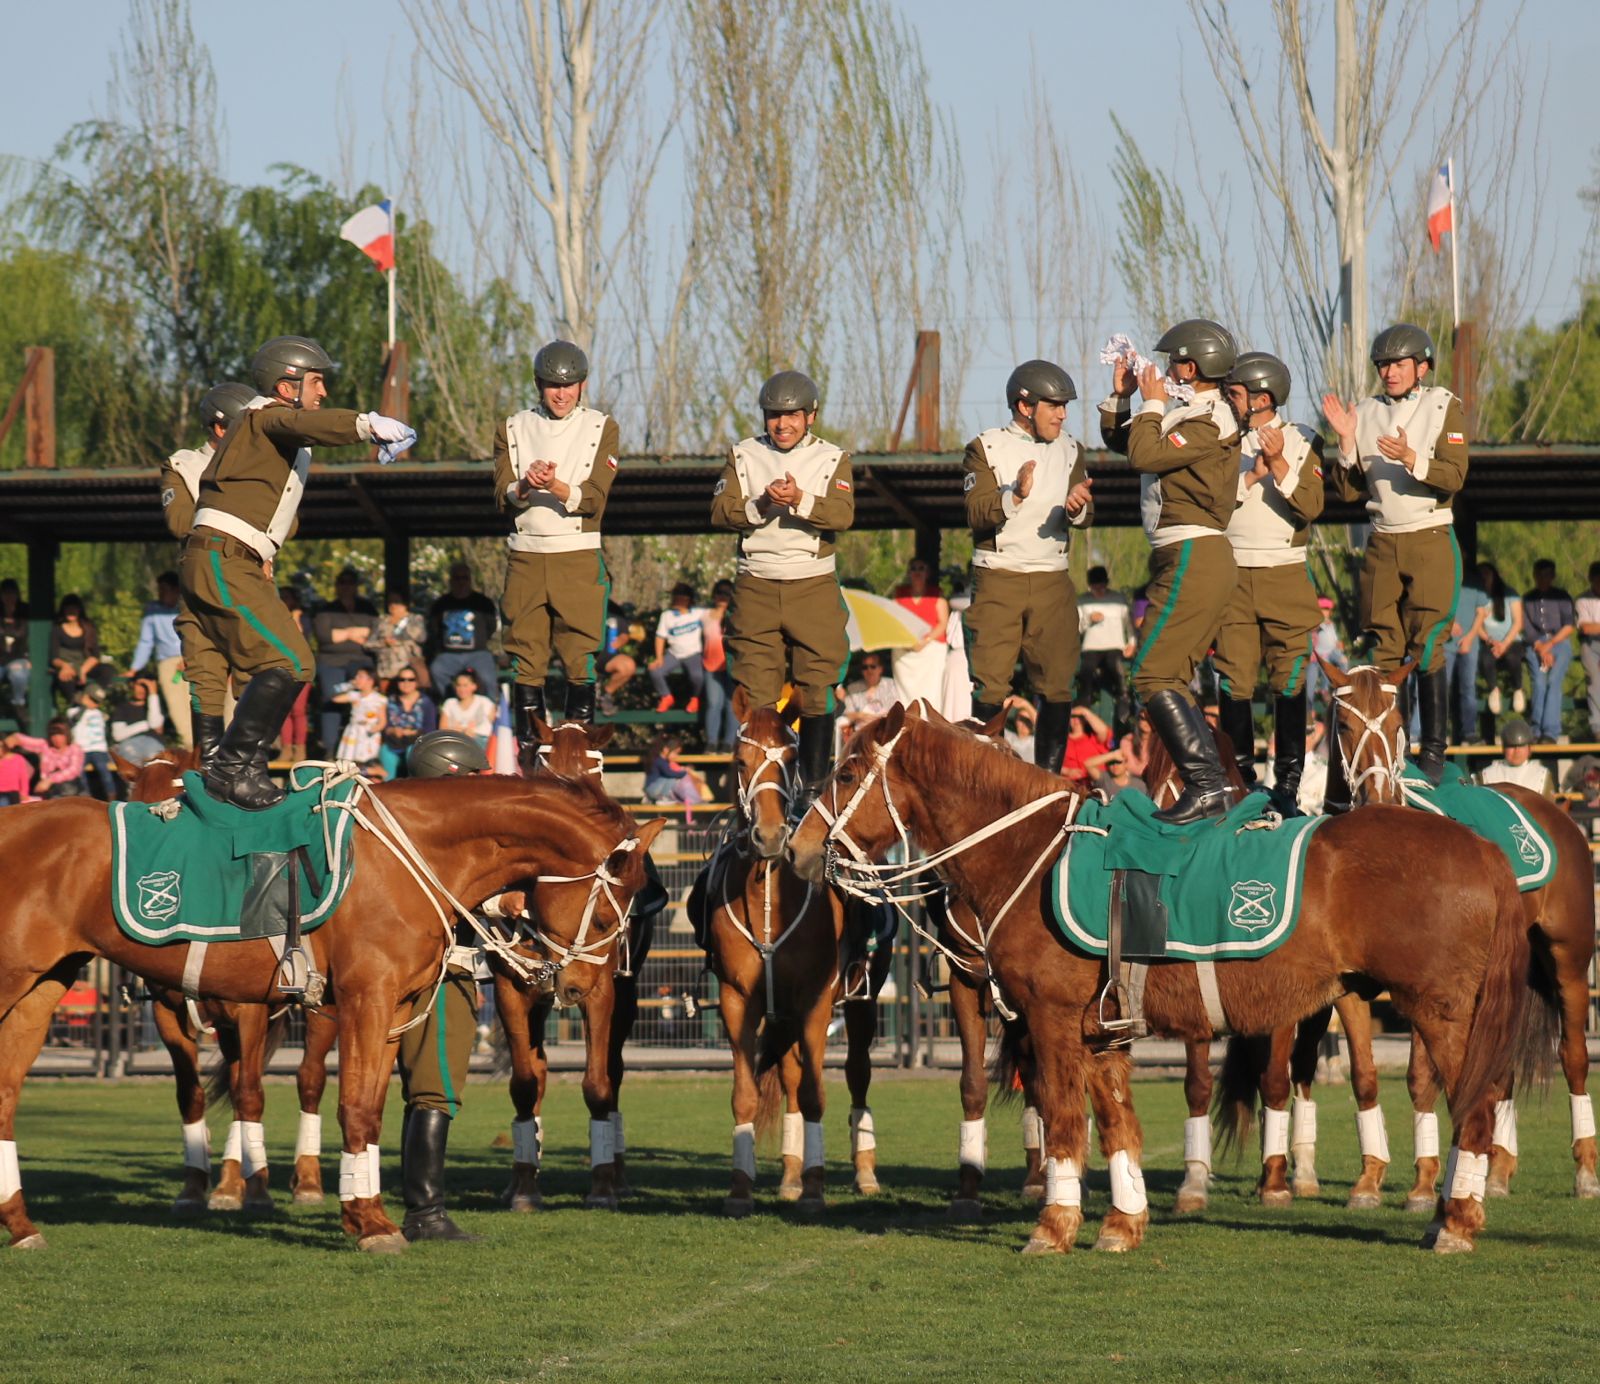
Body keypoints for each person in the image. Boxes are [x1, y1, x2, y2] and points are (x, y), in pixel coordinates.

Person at [179, 334, 414, 808]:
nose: (322, 392)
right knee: (291, 661)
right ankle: (228, 769)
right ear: (287, 386)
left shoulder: (269, 427)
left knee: (272, 665)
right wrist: (368, 425)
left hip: (234, 558)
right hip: (224, 557)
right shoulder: (265, 415)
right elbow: (301, 423)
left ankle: (241, 770)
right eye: (316, 381)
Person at [1101, 319, 1243, 822]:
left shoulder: (1212, 417)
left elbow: (1144, 453)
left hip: (1193, 553)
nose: (1163, 372)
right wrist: (1124, 400)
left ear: (1192, 365)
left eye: (1172, 362)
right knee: (1171, 679)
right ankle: (1211, 786)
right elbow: (1127, 442)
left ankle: (1208, 785)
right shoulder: (1190, 412)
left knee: (1151, 674)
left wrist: (1153, 403)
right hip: (1182, 553)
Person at [1323, 323, 1468, 789]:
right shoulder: (1364, 412)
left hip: (1428, 533)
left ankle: (1435, 752)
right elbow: (1346, 491)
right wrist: (1346, 442)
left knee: (1426, 644)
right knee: (1382, 650)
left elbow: (1455, 476)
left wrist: (1411, 458)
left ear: (1421, 367)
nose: (1389, 372)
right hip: (1382, 538)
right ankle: (1386, 749)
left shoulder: (1443, 404)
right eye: (1383, 364)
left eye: (1398, 364)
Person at [711, 370, 854, 811]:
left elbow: (843, 514)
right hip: (755, 583)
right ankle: (759, 798)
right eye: (774, 416)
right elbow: (719, 511)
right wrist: (762, 504)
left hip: (811, 582)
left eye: (792, 415)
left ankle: (811, 793)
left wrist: (799, 500)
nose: (782, 424)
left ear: (810, 416)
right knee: (756, 699)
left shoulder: (833, 457)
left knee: (817, 691)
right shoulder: (743, 455)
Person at [963, 359, 1094, 776]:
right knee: (990, 684)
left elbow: (1086, 514)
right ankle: (984, 777)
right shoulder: (985, 446)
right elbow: (976, 513)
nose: (1063, 414)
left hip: (1053, 577)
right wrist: (1014, 495)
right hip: (998, 574)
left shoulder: (1072, 449)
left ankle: (1050, 783)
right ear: (1024, 406)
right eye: (1054, 405)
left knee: (1058, 685)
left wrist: (1078, 509)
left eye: (1065, 406)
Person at [1212, 351, 1326, 815]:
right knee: (1233, 678)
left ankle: (1289, 785)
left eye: (1235, 393)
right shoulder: (1220, 440)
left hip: (1284, 570)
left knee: (1290, 677)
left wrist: (1278, 463)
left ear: (1262, 397)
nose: (1227, 399)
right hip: (1232, 571)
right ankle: (1239, 782)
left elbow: (1312, 505)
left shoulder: (1303, 439)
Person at [398, 728, 498, 1241]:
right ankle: (425, 1213)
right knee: (435, 1089)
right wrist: (503, 903)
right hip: (439, 969)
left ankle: (418, 1207)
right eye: (475, 776)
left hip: (433, 966)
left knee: (423, 1092)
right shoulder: (437, 832)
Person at [495, 339, 619, 746]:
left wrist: (557, 485)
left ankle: (575, 748)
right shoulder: (512, 427)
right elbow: (501, 494)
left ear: (583, 385)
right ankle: (530, 754)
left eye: (569, 385)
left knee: (579, 658)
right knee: (524, 661)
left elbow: (597, 496)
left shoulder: (602, 427)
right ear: (538, 384)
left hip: (577, 553)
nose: (561, 394)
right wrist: (525, 484)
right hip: (526, 553)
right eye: (552, 385)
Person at [161, 381, 255, 759]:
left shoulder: (266, 466)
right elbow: (181, 520)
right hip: (202, 584)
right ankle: (208, 767)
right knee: (204, 676)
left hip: (251, 585)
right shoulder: (183, 465)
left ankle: (250, 764)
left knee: (259, 672)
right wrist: (244, 517)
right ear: (219, 428)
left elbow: (290, 521)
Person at [312, 569, 379, 756]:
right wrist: (357, 632)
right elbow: (324, 636)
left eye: (350, 582)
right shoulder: (327, 609)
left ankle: (368, 752)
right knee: (332, 699)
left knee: (367, 698)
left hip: (361, 660)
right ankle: (329, 749)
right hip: (331, 661)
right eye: (342, 582)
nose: (346, 586)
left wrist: (342, 633)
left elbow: (375, 633)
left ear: (356, 586)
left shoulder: (367, 608)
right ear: (337, 586)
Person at [125, 572, 190, 749]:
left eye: (165, 590)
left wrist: (188, 656)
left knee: (200, 706)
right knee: (178, 711)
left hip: (192, 660)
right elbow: (146, 641)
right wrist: (134, 667)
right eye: (159, 590)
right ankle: (191, 748)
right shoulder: (152, 610)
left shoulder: (188, 606)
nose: (161, 594)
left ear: (177, 590)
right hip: (168, 664)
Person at [426, 564, 501, 702]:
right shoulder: (441, 604)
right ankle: (450, 704)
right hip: (449, 654)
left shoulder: (483, 602)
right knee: (436, 669)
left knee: (488, 678)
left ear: (470, 580)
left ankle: (492, 708)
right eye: (457, 578)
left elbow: (491, 627)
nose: (461, 582)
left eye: (464, 578)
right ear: (451, 580)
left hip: (478, 653)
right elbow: (434, 629)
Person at [1522, 559, 1576, 743]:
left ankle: (1551, 732)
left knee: (1554, 681)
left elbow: (1569, 625)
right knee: (1538, 682)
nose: (1543, 579)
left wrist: (1550, 645)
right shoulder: (1528, 598)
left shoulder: (1562, 596)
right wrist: (1540, 647)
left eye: (1547, 575)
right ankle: (1536, 729)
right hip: (1535, 643)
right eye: (1539, 575)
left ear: (1553, 576)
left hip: (1559, 640)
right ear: (1534, 576)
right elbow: (1527, 628)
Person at [1076, 566, 1135, 720]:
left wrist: (1132, 642)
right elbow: (1076, 627)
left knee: (1114, 665)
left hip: (1114, 645)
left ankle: (1123, 697)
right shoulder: (1083, 601)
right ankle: (1084, 705)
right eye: (1095, 588)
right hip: (1091, 646)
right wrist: (1089, 619)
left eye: (1102, 587)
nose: (1100, 591)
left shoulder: (1118, 599)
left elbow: (1130, 623)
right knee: (1086, 671)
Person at [891, 559, 950, 710]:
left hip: (931, 649)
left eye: (921, 568)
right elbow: (892, 621)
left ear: (927, 573)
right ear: (908, 572)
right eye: (913, 568)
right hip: (905, 650)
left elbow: (943, 623)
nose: (917, 572)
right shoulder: (899, 594)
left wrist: (925, 640)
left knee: (931, 693)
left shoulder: (937, 594)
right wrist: (908, 642)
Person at [1444, 577, 1490, 744]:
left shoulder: (1475, 584)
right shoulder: (1443, 579)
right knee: (1442, 687)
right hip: (1446, 644)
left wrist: (1470, 638)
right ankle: (1438, 730)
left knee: (1468, 689)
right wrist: (1450, 623)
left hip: (1470, 645)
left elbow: (1481, 614)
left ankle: (1469, 732)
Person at [649, 582, 707, 713]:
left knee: (697, 676)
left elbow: (715, 620)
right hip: (673, 654)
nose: (675, 600)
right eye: (674, 597)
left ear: (687, 599)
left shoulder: (699, 613)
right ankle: (666, 696)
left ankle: (695, 698)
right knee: (655, 671)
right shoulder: (667, 616)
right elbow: (660, 637)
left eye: (679, 597)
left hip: (693, 654)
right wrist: (659, 658)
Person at [1477, 562, 1525, 718]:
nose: (1484, 578)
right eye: (1481, 575)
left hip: (1511, 640)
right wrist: (1490, 640)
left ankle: (1518, 688)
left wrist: (1504, 644)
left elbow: (1518, 622)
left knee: (1513, 658)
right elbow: (1476, 625)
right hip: (1489, 641)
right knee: (1485, 659)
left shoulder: (1510, 593)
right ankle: (1493, 690)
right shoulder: (1479, 597)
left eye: (1487, 574)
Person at [701, 580, 738, 753]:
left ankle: (729, 743)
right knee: (714, 703)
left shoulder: (737, 615)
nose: (723, 597)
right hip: (711, 666)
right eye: (719, 593)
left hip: (732, 666)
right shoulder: (705, 615)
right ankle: (712, 742)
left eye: (727, 593)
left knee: (732, 704)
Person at [381, 667, 437, 779]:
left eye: (410, 679)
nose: (406, 683)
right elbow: (384, 725)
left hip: (417, 742)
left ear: (416, 682)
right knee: (385, 751)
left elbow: (430, 729)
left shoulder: (426, 703)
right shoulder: (390, 701)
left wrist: (413, 732)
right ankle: (387, 788)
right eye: (402, 679)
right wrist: (392, 730)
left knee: (411, 751)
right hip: (394, 742)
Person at [368, 588, 427, 689]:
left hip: (408, 668)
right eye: (390, 601)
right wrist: (383, 642)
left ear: (405, 604)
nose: (393, 605)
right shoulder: (381, 621)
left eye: (396, 601)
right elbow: (368, 644)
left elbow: (422, 638)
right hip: (385, 670)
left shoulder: (415, 619)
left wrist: (403, 621)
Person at [1480, 717, 1554, 797]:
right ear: (1503, 748)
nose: (1517, 751)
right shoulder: (1488, 775)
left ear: (1529, 748)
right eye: (1512, 746)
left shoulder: (1542, 776)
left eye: (1521, 746)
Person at [278, 586, 311, 764]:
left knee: (298, 710)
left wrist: (296, 617)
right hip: (281, 668)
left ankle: (300, 748)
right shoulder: (274, 617)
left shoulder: (304, 618)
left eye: (287, 597)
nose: (283, 600)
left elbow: (299, 637)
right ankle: (286, 748)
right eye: (281, 597)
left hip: (301, 668)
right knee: (283, 710)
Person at [333, 667, 387, 772]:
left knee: (366, 761)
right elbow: (335, 698)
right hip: (353, 732)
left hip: (368, 734)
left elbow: (382, 720)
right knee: (349, 761)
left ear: (370, 680)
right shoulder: (354, 695)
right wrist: (350, 685)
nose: (356, 679)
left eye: (360, 676)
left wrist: (376, 728)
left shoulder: (379, 699)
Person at [68, 684, 116, 800]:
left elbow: (105, 731)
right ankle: (86, 798)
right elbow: (74, 720)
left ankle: (112, 798)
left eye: (98, 702)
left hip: (98, 749)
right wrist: (84, 706)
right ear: (85, 697)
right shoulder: (73, 711)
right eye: (93, 700)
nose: (95, 704)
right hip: (81, 750)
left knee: (104, 772)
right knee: (79, 772)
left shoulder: (99, 713)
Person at [48, 595, 104, 694]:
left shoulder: (89, 627)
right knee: (65, 676)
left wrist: (83, 670)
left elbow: (95, 655)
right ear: (63, 609)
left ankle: (93, 696)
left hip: (85, 665)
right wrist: (64, 666)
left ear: (79, 610)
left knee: (108, 670)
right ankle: (75, 703)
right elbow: (54, 658)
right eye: (68, 608)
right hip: (66, 665)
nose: (71, 611)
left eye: (74, 608)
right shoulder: (57, 629)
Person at [16, 719, 86, 797]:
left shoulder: (75, 749)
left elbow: (73, 770)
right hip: (50, 793)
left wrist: (50, 780)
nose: (57, 738)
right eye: (53, 735)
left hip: (71, 792)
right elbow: (24, 741)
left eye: (61, 734)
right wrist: (13, 739)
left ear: (67, 734)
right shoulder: (45, 746)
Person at [838, 654, 903, 735]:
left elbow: (896, 711)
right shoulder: (853, 688)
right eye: (865, 667)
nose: (869, 670)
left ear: (880, 669)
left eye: (873, 666)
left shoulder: (891, 685)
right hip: (861, 731)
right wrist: (860, 715)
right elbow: (847, 713)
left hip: (885, 729)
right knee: (840, 722)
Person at [109, 677, 167, 766]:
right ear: (132, 685)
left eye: (146, 686)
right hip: (129, 744)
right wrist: (146, 724)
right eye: (140, 685)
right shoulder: (122, 708)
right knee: (133, 764)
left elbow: (155, 724)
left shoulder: (155, 706)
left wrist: (153, 694)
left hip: (153, 742)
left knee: (156, 765)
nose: (142, 689)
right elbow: (118, 735)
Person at [643, 732, 708, 810]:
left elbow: (673, 770)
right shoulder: (660, 762)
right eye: (675, 753)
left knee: (672, 779)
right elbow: (670, 773)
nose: (676, 756)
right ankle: (662, 798)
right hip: (653, 789)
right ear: (665, 750)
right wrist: (684, 772)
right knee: (672, 779)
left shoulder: (661, 760)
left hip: (653, 789)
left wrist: (682, 769)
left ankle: (655, 798)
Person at [1306, 596, 1348, 711]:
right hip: (1317, 657)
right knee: (1310, 687)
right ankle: (1310, 712)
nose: (1325, 612)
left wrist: (1339, 645)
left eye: (1327, 609)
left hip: (1330, 653)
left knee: (1343, 662)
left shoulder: (1331, 625)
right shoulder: (1315, 624)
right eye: (1322, 609)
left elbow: (1333, 642)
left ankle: (1340, 688)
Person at [439, 670, 496, 749]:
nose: (461, 689)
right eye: (459, 685)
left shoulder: (485, 702)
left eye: (465, 685)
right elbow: (442, 728)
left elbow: (493, 726)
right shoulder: (450, 703)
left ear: (474, 686)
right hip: (455, 742)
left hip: (480, 743)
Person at [1059, 705, 1113, 786]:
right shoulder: (1061, 740)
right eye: (1072, 717)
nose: (1076, 720)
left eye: (1079, 717)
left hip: (1096, 786)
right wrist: (1067, 771)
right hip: (1069, 785)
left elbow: (1104, 731)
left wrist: (1085, 711)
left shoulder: (1094, 738)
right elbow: (1051, 764)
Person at [1, 578, 32, 717]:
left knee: (18, 673)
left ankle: (18, 705)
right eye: (5, 593)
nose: (9, 597)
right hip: (1, 660)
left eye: (12, 593)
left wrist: (29, 659)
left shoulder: (26, 613)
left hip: (19, 658)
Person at [1577, 560, 1600, 741]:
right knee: (1595, 681)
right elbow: (1585, 628)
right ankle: (1597, 726)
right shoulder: (1583, 599)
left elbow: (1593, 627)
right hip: (1591, 645)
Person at [0, 734, 33, 805]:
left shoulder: (18, 759)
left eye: (0, 746)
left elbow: (23, 777)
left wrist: (24, 793)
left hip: (13, 793)